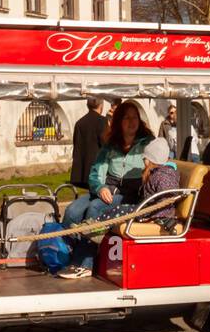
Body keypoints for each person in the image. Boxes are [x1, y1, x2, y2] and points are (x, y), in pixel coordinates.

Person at [56, 99, 154, 278]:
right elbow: (96, 172)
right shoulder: (111, 145)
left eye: (135, 118)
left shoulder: (148, 143)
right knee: (72, 211)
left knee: (95, 208)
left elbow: (160, 163)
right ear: (119, 122)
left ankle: (85, 263)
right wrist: (100, 187)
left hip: (130, 195)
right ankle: (68, 255)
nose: (132, 122)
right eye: (126, 118)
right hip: (107, 189)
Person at [61, 137, 182, 276]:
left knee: (116, 210)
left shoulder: (164, 175)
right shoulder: (157, 173)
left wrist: (154, 208)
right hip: (147, 210)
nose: (143, 162)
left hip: (155, 214)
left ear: (151, 160)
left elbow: (168, 196)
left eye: (145, 159)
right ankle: (93, 227)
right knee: (116, 210)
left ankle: (95, 229)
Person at [70, 98, 109, 190]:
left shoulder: (79, 123)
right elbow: (106, 144)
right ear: (101, 106)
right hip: (97, 166)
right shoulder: (102, 121)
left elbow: (76, 145)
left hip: (82, 168)